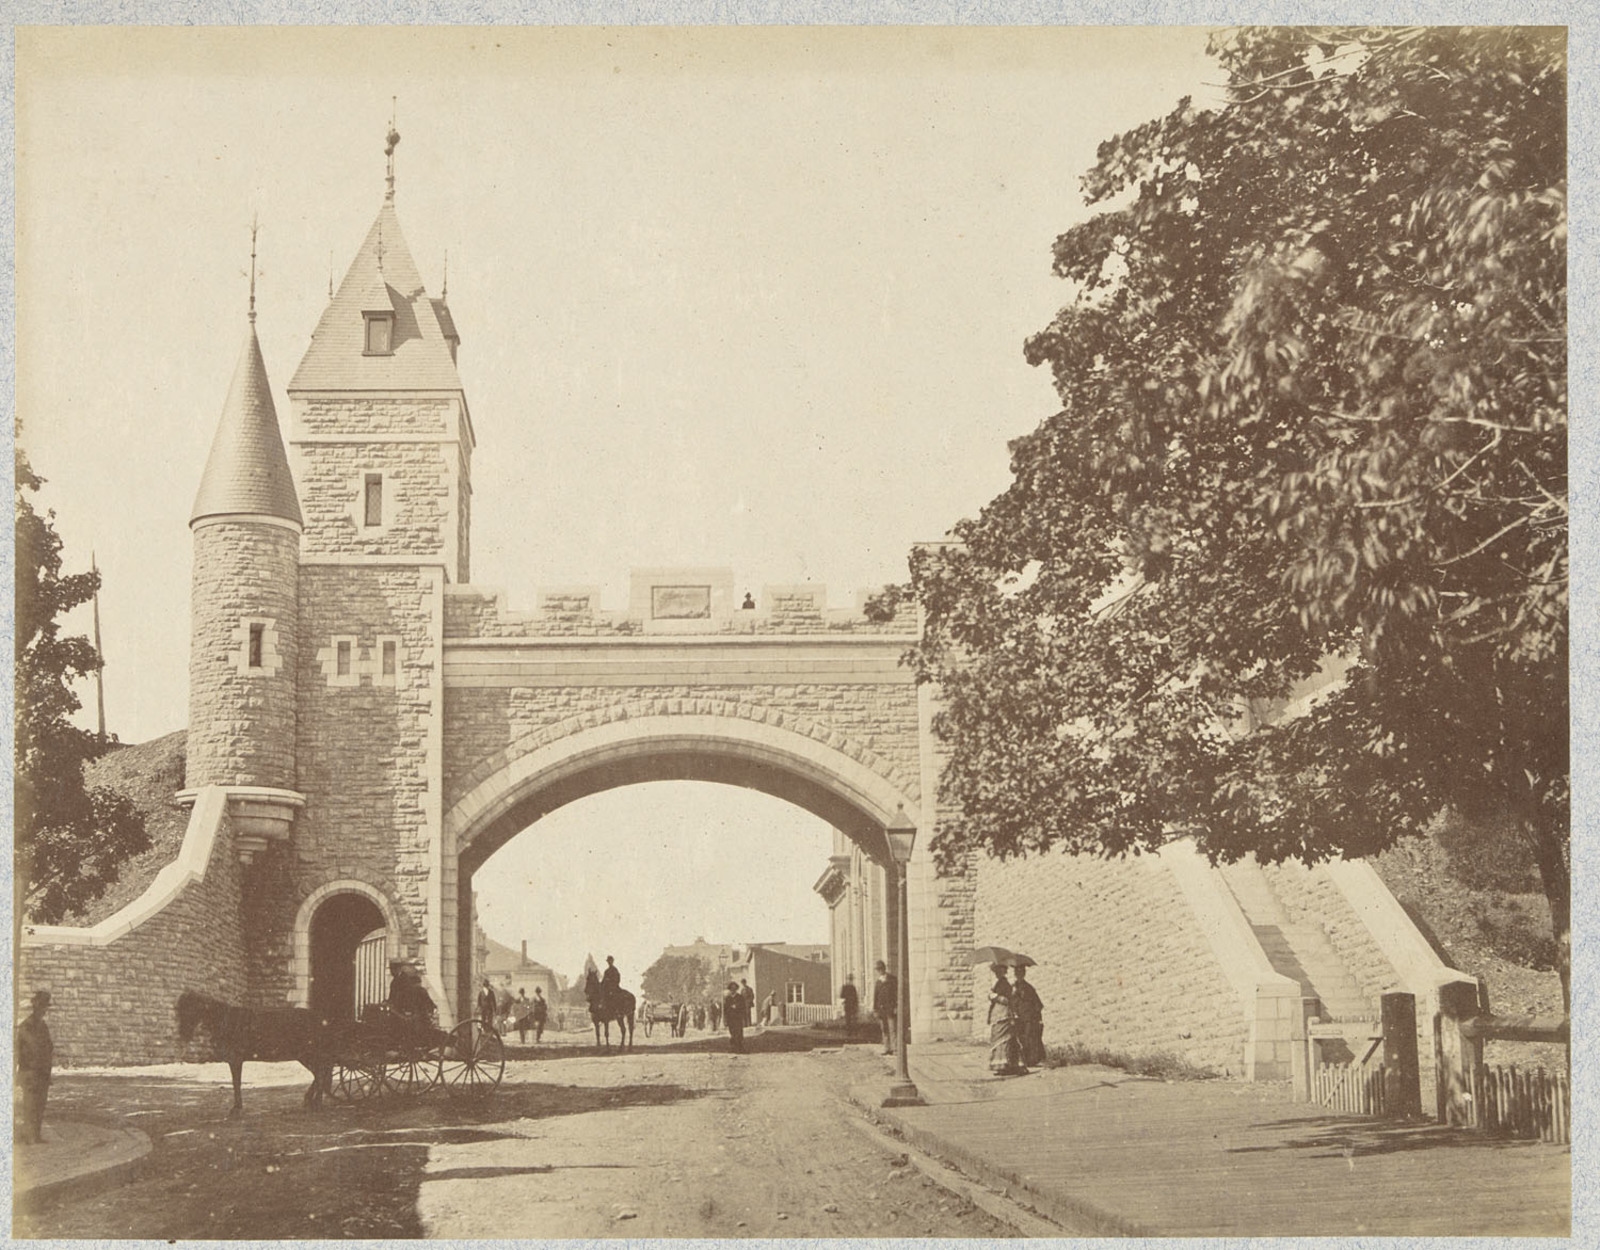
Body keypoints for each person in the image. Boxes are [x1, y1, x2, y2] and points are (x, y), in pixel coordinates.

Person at [16, 990, 54, 1145]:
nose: (44, 1010)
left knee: (40, 1105)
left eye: (45, 1007)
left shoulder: (42, 1026)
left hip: (42, 1073)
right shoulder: (27, 1026)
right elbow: (30, 1051)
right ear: (35, 1007)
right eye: (41, 1007)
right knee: (30, 1105)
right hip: (31, 1073)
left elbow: (48, 1047)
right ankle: (29, 1136)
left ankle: (36, 1135)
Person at [987, 963, 1025, 1075]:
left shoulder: (1004, 983)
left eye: (999, 971)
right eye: (995, 971)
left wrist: (994, 996)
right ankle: (1003, 1065)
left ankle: (1006, 1065)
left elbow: (1007, 999)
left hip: (1003, 1014)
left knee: (1004, 1038)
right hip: (998, 1014)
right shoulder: (999, 983)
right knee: (999, 1038)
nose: (997, 973)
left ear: (1003, 971)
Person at [1012, 964, 1045, 1067]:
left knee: (1029, 1037)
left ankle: (1032, 1060)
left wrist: (1039, 1018)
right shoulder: (1013, 987)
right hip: (1017, 1017)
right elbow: (1010, 1001)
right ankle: (1021, 1060)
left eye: (1021, 973)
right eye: (1017, 973)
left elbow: (1037, 1004)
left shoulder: (1029, 988)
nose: (1019, 975)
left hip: (1029, 1017)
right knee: (1019, 1038)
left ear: (1024, 974)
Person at [873, 959, 898, 1056]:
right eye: (878, 970)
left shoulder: (892, 979)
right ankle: (887, 1048)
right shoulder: (878, 982)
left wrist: (896, 1006)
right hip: (881, 1009)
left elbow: (896, 994)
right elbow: (875, 997)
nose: (879, 971)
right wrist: (875, 1009)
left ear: (884, 968)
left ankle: (895, 1048)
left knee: (892, 1029)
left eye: (880, 969)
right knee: (884, 1029)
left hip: (890, 1008)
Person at [722, 981, 748, 1053]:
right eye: (731, 989)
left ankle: (740, 1047)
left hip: (738, 1018)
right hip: (731, 1019)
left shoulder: (740, 997)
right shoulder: (727, 998)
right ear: (730, 989)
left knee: (739, 1032)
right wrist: (725, 1020)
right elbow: (725, 1010)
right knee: (732, 1032)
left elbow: (743, 1008)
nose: (733, 990)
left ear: (736, 989)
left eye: (734, 988)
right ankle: (733, 1048)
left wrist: (737, 1007)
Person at [839, 973, 859, 1039]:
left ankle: (851, 1032)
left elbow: (855, 997)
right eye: (850, 979)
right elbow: (842, 996)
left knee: (851, 1019)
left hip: (850, 1004)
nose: (850, 981)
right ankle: (850, 1032)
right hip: (849, 1004)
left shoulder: (849, 987)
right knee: (849, 1018)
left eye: (851, 979)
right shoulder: (849, 987)